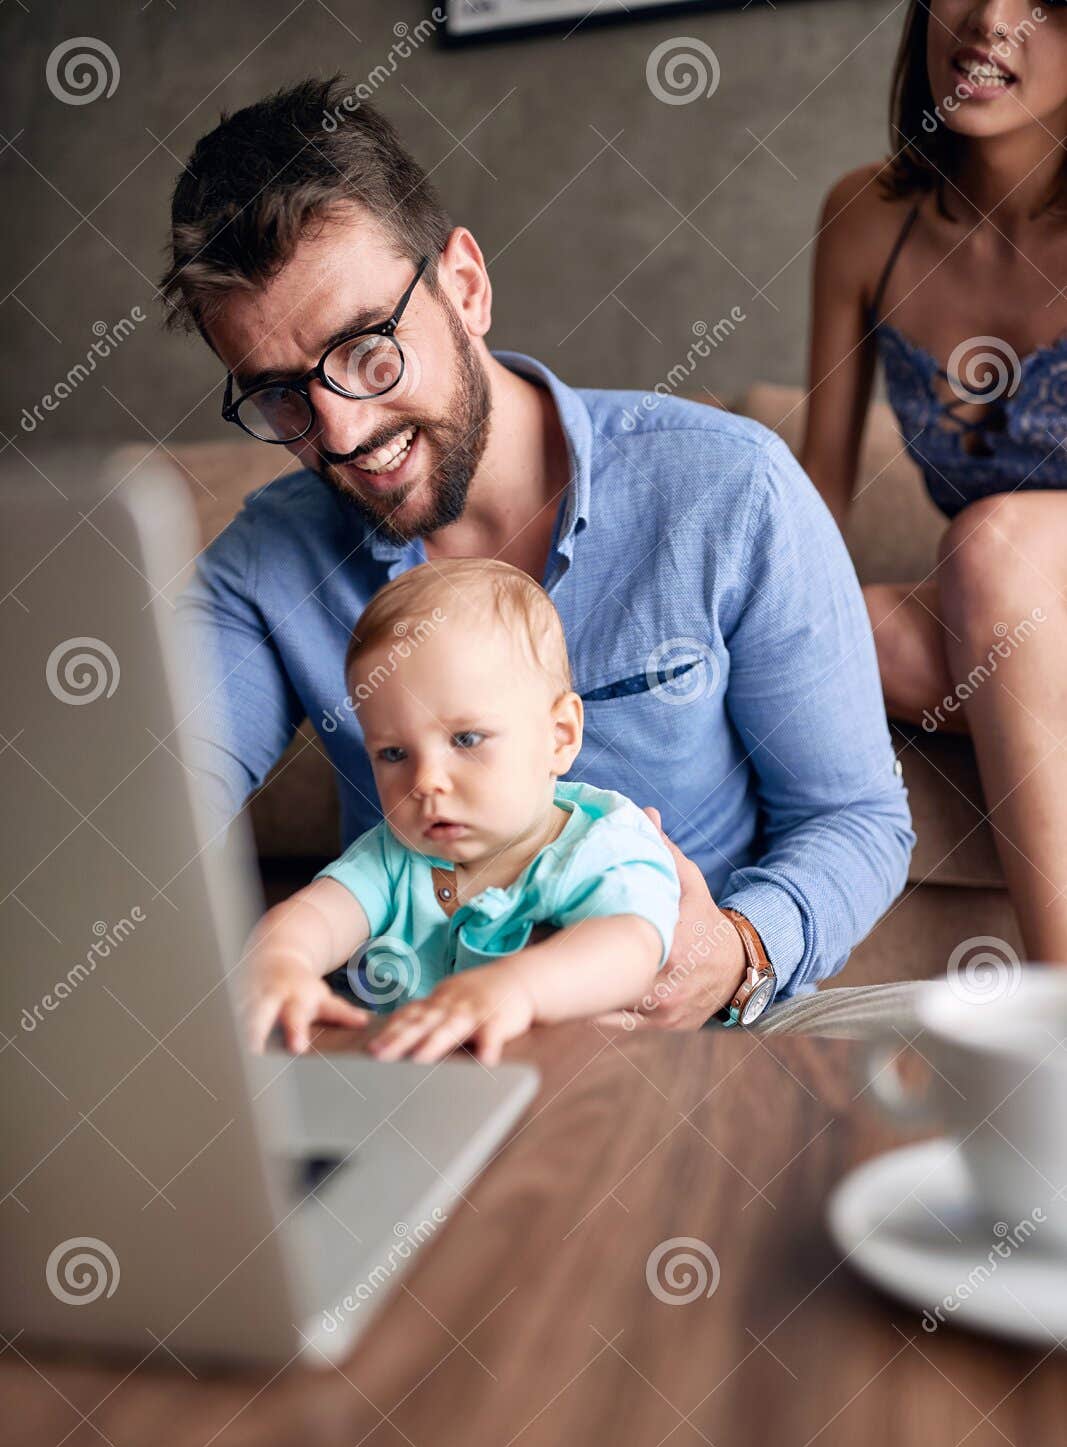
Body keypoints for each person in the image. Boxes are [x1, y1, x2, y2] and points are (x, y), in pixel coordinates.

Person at [163, 76, 914, 1040]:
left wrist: (731, 953)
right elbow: (145, 806)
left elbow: (855, 818)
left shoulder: (729, 489)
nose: (342, 433)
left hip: (703, 1036)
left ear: (464, 286)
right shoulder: (268, 562)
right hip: (422, 1051)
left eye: (366, 351)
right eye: (278, 396)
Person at [802, 0, 1067, 965]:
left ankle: (1055, 1003)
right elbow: (814, 500)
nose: (988, 20)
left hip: (1007, 574)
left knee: (991, 540)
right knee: (833, 634)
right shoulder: (864, 220)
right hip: (1012, 624)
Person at [240, 559, 681, 1064]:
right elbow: (315, 915)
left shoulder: (602, 842)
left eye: (466, 739)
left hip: (578, 1087)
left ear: (560, 737)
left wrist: (517, 988)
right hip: (427, 1087)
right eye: (393, 754)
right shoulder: (395, 855)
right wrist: (281, 962)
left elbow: (630, 946)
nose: (426, 782)